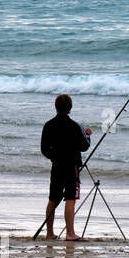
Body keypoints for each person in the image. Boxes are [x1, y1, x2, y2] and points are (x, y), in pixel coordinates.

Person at [40, 93, 92, 240]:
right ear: (70, 108)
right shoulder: (75, 126)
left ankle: (49, 233)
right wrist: (88, 134)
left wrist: (54, 157)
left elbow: (44, 149)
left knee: (53, 198)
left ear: (55, 107)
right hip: (71, 165)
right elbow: (84, 146)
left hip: (56, 165)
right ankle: (70, 233)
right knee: (70, 198)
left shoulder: (48, 125)